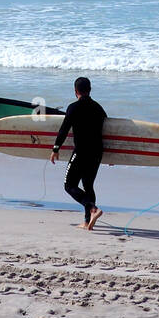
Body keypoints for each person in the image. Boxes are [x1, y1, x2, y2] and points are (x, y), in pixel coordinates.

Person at [49, 76, 105, 230]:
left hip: (81, 152)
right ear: (90, 90)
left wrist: (55, 149)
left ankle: (93, 209)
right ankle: (88, 221)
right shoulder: (99, 108)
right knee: (88, 185)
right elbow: (107, 131)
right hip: (97, 153)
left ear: (75, 91)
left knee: (69, 185)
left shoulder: (73, 107)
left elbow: (64, 129)